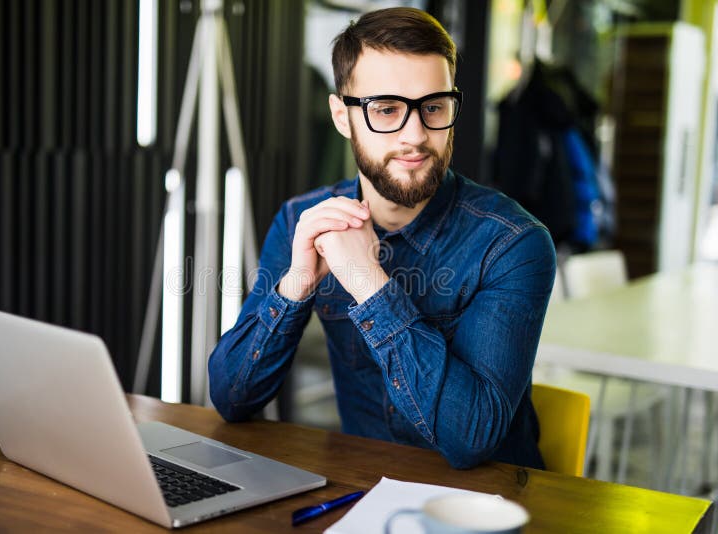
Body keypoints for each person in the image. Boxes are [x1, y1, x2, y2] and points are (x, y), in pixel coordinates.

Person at [208, 7, 555, 470]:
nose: (415, 135)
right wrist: (294, 287)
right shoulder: (303, 222)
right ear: (342, 117)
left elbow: (471, 439)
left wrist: (368, 281)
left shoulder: (513, 243)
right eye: (386, 109)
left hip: (486, 503)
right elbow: (232, 399)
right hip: (364, 493)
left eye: (433, 107)